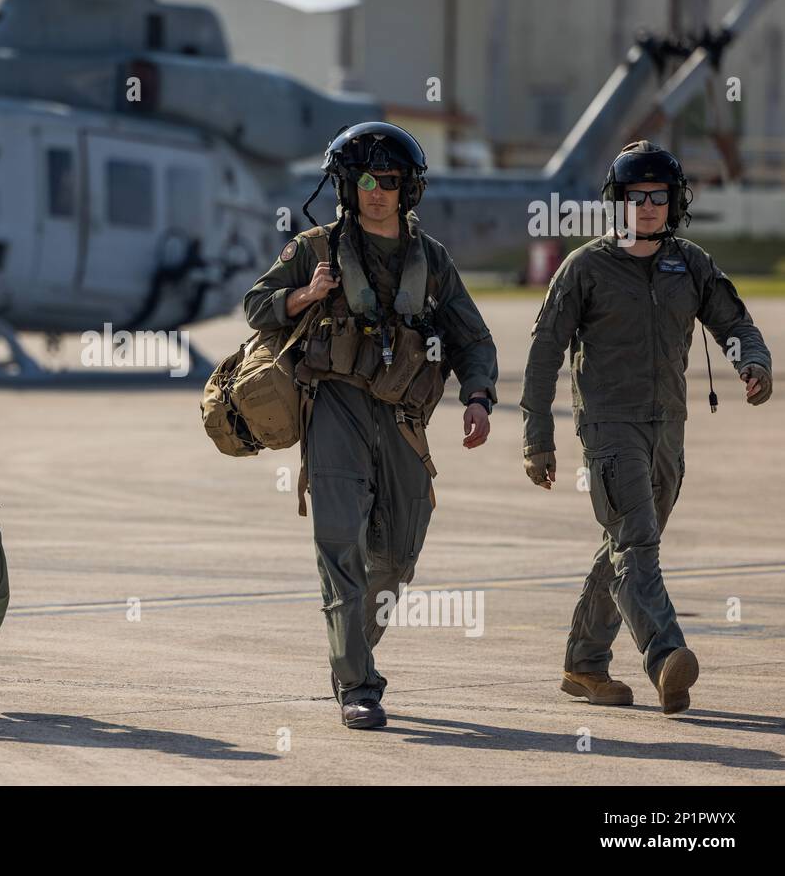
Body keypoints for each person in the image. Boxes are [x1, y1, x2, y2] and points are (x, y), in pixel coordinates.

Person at [243, 121, 498, 730]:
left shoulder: (432, 261)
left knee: (397, 557)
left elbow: (474, 338)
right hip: (336, 407)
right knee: (341, 546)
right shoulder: (313, 249)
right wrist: (304, 296)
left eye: (388, 180)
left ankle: (348, 650)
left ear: (406, 188)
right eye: (363, 180)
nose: (375, 192)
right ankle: (358, 684)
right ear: (345, 186)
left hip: (404, 417)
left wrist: (479, 397)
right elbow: (256, 304)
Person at [521, 140, 772, 716]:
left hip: (670, 429)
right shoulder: (585, 268)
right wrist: (538, 439)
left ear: (674, 202)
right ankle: (666, 658)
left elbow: (734, 321)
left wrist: (752, 363)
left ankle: (584, 665)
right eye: (637, 196)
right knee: (637, 544)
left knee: (624, 547)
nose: (649, 206)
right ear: (618, 202)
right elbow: (542, 355)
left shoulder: (691, 263)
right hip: (609, 427)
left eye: (659, 196)